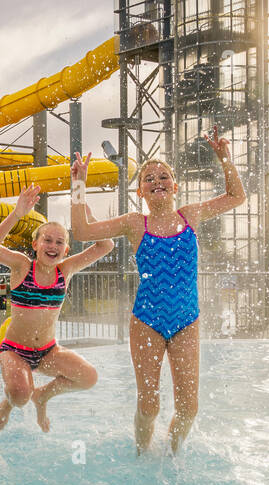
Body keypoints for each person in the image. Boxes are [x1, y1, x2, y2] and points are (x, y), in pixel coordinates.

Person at [70, 124, 246, 454]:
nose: (156, 181)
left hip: (187, 322)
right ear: (141, 193)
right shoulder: (136, 223)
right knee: (149, 407)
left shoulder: (191, 215)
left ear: (175, 186)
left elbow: (237, 197)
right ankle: (141, 452)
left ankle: (173, 453)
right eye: (148, 179)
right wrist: (78, 184)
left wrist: (225, 159)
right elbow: (81, 230)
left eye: (163, 176)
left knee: (189, 408)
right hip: (147, 322)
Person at [0, 184, 114, 432]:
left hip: (47, 351)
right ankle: (10, 403)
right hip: (14, 350)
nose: (52, 246)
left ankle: (42, 395)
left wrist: (90, 220)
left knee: (89, 377)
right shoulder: (23, 266)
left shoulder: (65, 270)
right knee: (20, 394)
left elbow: (106, 246)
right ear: (35, 244)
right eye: (47, 240)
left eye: (59, 242)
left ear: (66, 250)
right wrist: (17, 213)